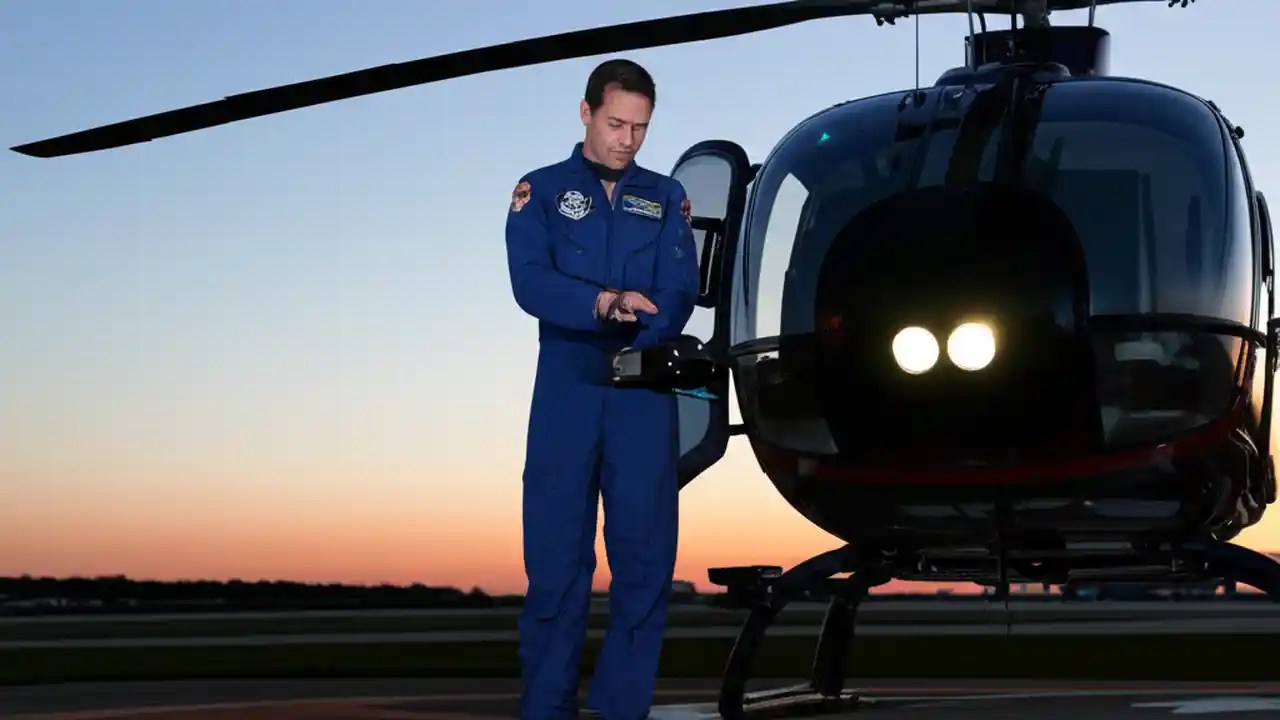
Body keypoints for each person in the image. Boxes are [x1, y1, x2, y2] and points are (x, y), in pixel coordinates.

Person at [504, 58, 700, 719]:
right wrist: (604, 304)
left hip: (642, 394)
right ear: (585, 113)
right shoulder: (540, 190)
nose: (627, 140)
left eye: (640, 128)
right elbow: (529, 283)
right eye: (616, 123)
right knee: (557, 570)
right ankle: (546, 710)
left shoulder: (667, 196)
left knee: (644, 570)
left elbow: (679, 290)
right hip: (569, 386)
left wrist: (648, 330)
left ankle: (622, 711)